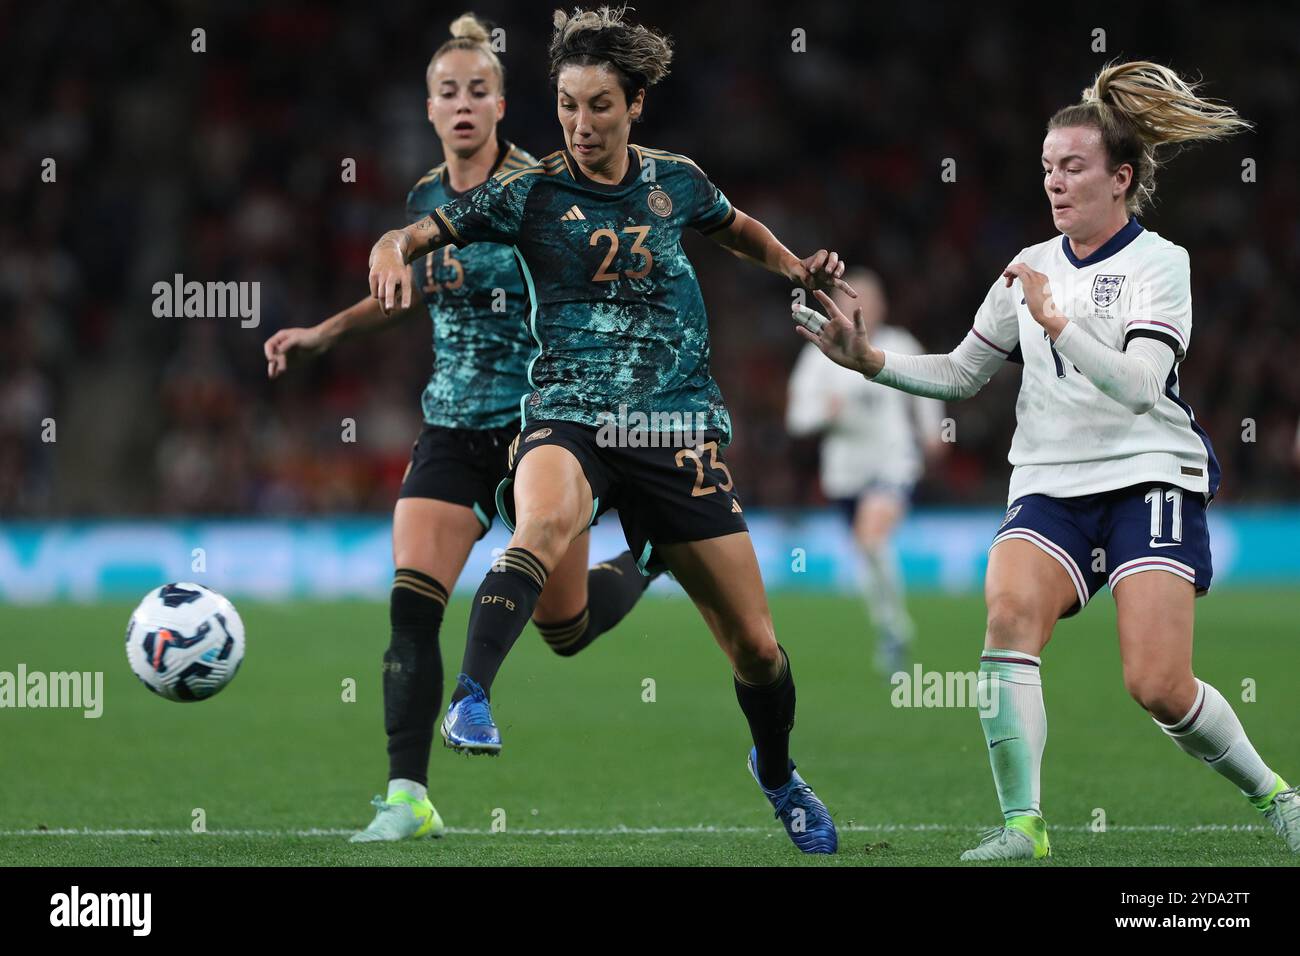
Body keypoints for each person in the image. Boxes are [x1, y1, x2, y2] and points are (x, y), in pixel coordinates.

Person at [366, 6, 855, 853]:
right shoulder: (529, 193)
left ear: (634, 105)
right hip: (569, 415)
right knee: (546, 520)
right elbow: (428, 227)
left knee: (758, 650)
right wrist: (389, 245)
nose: (580, 125)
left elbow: (734, 228)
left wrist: (796, 266)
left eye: (598, 107)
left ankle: (776, 773)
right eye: (565, 106)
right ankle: (472, 698)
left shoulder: (679, 182)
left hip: (675, 423)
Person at [793, 60, 1299, 860]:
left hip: (1149, 476)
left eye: (1073, 167)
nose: (1055, 184)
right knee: (1007, 616)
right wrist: (869, 363)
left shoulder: (1159, 265)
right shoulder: (1027, 267)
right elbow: (961, 373)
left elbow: (1140, 386)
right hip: (1051, 485)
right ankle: (1023, 826)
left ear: (1120, 177)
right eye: (1046, 169)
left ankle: (1275, 795)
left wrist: (1060, 324)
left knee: (1158, 686)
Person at [264, 13, 652, 844]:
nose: (464, 104)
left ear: (504, 104)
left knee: (567, 630)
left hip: (541, 430)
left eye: (479, 90)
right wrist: (322, 333)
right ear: (431, 111)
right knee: (411, 605)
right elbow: (402, 291)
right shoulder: (423, 204)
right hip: (450, 426)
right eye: (449, 93)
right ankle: (407, 796)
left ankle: (648, 552)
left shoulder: (546, 190)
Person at [786, 269, 944, 676]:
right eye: (855, 300)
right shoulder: (820, 351)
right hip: (843, 473)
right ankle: (891, 625)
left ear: (883, 306)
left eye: (870, 301)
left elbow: (928, 388)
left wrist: (932, 432)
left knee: (871, 538)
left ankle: (894, 631)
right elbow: (797, 418)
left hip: (893, 462)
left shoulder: (898, 344)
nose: (863, 308)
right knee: (864, 549)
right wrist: (826, 412)